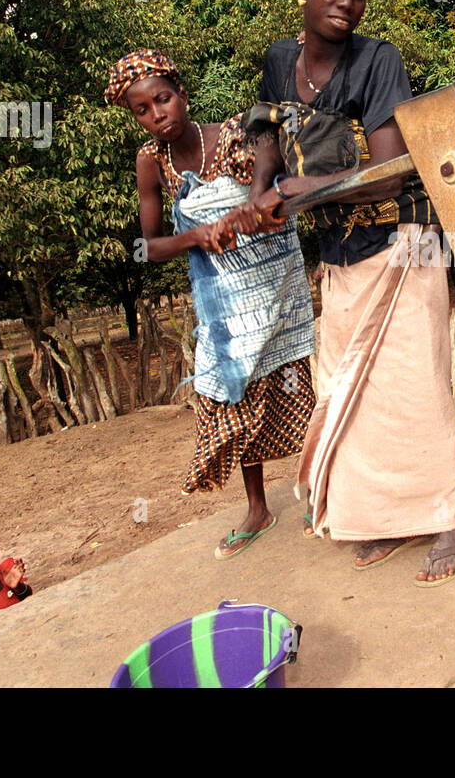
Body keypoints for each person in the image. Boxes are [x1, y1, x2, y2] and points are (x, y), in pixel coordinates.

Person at [225, 0, 455, 586]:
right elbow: (266, 132)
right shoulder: (281, 60)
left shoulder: (379, 61)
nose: (347, 0)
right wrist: (258, 193)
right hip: (339, 253)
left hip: (402, 242)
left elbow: (389, 172)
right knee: (355, 392)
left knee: (414, 386)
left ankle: (451, 516)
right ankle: (383, 519)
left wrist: (295, 193)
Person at [108, 49, 316, 559]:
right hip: (224, 303)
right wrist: (198, 235)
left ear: (182, 93)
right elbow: (148, 246)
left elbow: (270, 163)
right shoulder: (149, 163)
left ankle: (317, 492)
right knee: (229, 390)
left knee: (295, 385)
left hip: (274, 286)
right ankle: (257, 508)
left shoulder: (228, 134)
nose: (158, 114)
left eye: (164, 98)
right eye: (143, 109)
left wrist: (254, 203)